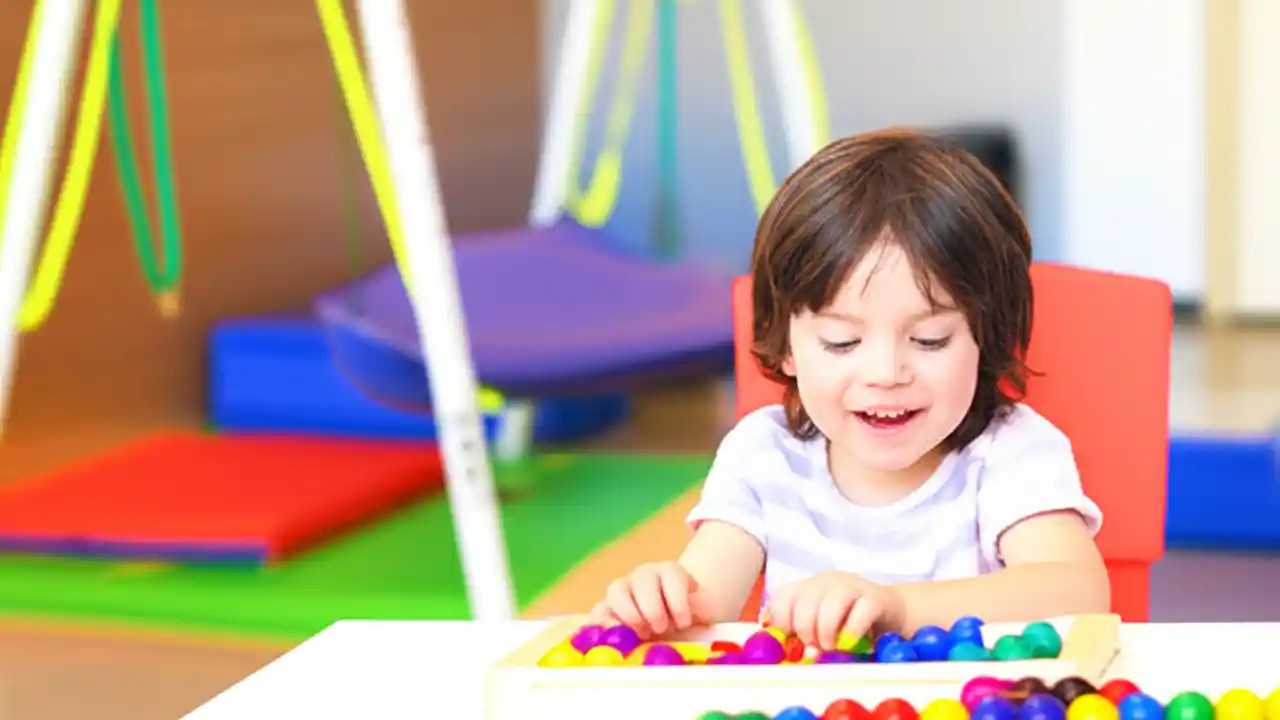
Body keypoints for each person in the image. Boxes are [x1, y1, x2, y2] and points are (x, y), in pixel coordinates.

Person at [586, 127, 1110, 651]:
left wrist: (898, 608)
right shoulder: (764, 455)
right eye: (842, 341)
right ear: (786, 347)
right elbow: (704, 609)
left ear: (986, 337)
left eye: (930, 339)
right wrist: (659, 602)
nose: (886, 372)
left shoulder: (1008, 452)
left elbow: (1077, 592)